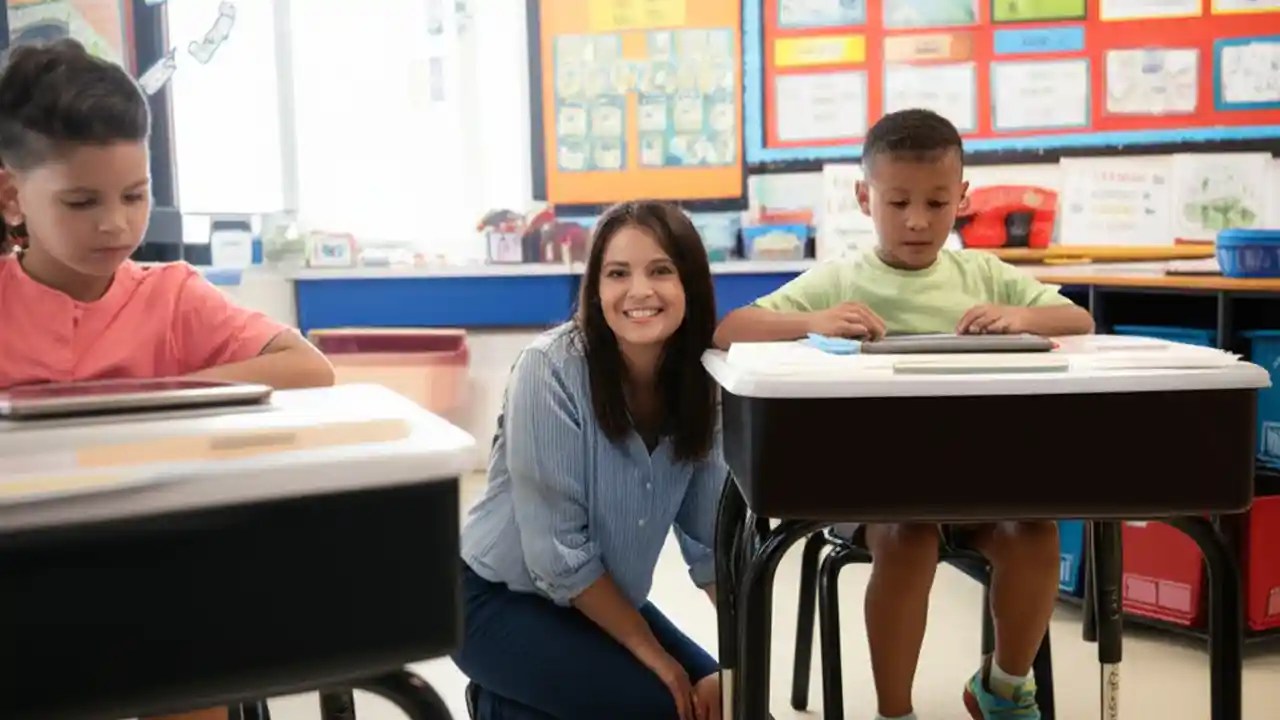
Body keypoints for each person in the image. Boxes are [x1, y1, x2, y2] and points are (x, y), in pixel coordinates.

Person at [714, 109, 1094, 720]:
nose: (917, 220)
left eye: (937, 202)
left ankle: (1002, 686)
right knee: (908, 537)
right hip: (875, 494)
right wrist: (811, 321)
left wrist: (1021, 316)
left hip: (977, 488)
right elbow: (732, 329)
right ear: (865, 198)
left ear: (962, 199)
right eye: (898, 202)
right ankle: (896, 712)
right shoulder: (840, 278)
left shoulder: (983, 274)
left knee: (1035, 535)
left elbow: (1079, 320)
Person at [0, 39, 334, 720]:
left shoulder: (172, 296)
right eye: (81, 201)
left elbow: (308, 369)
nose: (116, 223)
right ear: (12, 196)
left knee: (190, 678)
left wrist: (138, 399)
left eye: (135, 194)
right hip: (20, 586)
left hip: (158, 580)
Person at [454, 201, 725, 720]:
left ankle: (517, 703)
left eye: (661, 270)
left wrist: (735, 666)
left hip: (599, 602)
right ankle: (500, 705)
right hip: (495, 600)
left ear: (690, 282)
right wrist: (659, 660)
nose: (639, 291)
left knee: (735, 705)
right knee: (662, 707)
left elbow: (711, 545)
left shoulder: (702, 381)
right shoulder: (549, 369)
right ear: (596, 289)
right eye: (618, 273)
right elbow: (559, 557)